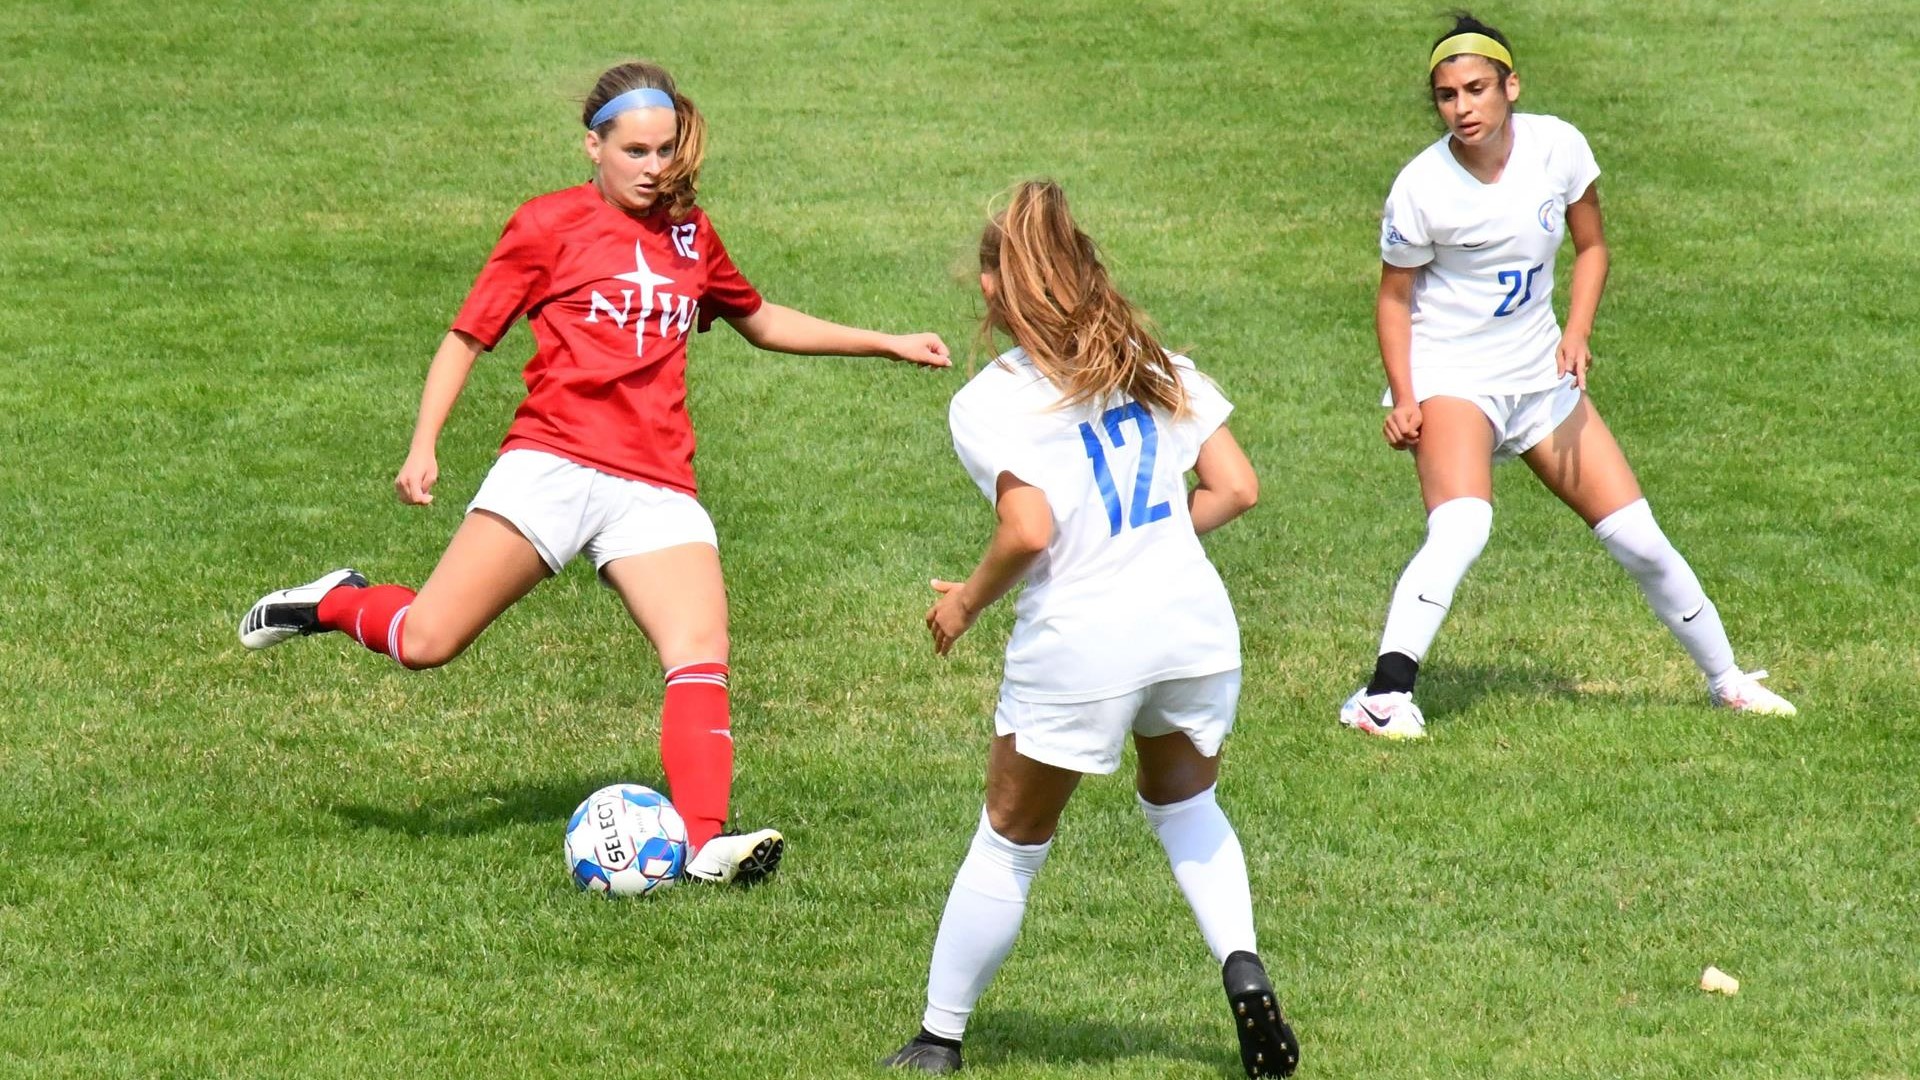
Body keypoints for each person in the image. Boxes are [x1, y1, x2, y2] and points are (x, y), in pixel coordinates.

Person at [238, 61, 950, 883]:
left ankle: (702, 843)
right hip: (553, 464)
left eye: (665, 150)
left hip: (657, 484)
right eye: (635, 151)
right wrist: (423, 442)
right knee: (427, 642)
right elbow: (467, 338)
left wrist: (885, 342)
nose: (653, 167)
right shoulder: (546, 225)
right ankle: (335, 600)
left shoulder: (691, 234)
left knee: (699, 649)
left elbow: (758, 319)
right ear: (593, 146)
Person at [882, 182, 1297, 1078]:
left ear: (993, 287)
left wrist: (963, 605)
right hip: (1192, 625)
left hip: (1084, 643)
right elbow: (1237, 488)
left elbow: (1028, 531)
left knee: (1010, 839)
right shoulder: (1154, 362)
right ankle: (1242, 964)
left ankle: (938, 1038)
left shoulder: (991, 399)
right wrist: (1144, 545)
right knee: (1186, 805)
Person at [1340, 15, 1796, 740]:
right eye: (1447, 95)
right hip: (1455, 378)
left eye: (1477, 89)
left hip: (1541, 377)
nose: (1463, 107)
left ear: (1511, 87)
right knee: (1464, 524)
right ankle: (1383, 698)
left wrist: (1576, 332)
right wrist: (1404, 394)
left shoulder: (1559, 148)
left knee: (1638, 537)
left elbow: (1593, 247)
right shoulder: (1421, 187)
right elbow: (1394, 299)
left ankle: (1729, 683)